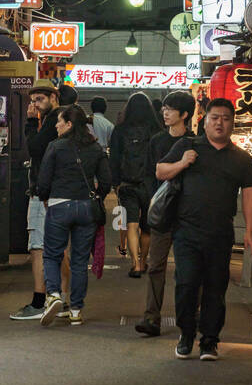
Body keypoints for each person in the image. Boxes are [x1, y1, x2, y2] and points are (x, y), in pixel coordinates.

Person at [156, 96, 252, 360]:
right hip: (186, 232)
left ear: (232, 124)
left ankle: (210, 340)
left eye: (226, 119)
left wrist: (249, 230)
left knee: (216, 288)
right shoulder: (188, 146)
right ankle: (186, 333)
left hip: (221, 233)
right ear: (205, 121)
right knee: (186, 284)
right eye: (215, 118)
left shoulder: (242, 159)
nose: (220, 123)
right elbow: (160, 171)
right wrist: (182, 163)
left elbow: (249, 194)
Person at [38, 104, 112, 328]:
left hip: (60, 205)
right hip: (86, 207)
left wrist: (45, 197)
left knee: (52, 254)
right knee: (80, 261)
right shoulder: (95, 148)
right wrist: (96, 196)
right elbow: (107, 181)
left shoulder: (55, 146)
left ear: (69, 124)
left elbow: (43, 181)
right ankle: (76, 310)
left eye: (59, 121)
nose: (56, 125)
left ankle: (54, 294)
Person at [135, 90, 196, 337]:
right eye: (164, 109)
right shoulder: (157, 141)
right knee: (155, 266)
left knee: (187, 269)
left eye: (171, 109)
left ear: (185, 115)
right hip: (163, 212)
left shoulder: (195, 142)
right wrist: (150, 205)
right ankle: (151, 317)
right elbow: (151, 175)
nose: (165, 113)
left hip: (188, 215)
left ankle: (189, 318)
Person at [10, 80, 68, 320]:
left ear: (53, 97)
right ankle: (64, 299)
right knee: (61, 247)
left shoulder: (53, 120)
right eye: (32, 100)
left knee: (38, 247)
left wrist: (30, 122)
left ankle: (40, 300)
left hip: (44, 192)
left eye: (39, 100)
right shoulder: (63, 120)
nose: (34, 105)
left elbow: (34, 148)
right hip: (59, 191)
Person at [109, 90, 162, 277]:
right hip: (150, 185)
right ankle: (143, 260)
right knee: (147, 227)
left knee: (131, 224)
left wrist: (115, 183)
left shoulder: (120, 130)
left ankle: (135, 264)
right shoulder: (156, 130)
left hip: (127, 183)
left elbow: (113, 158)